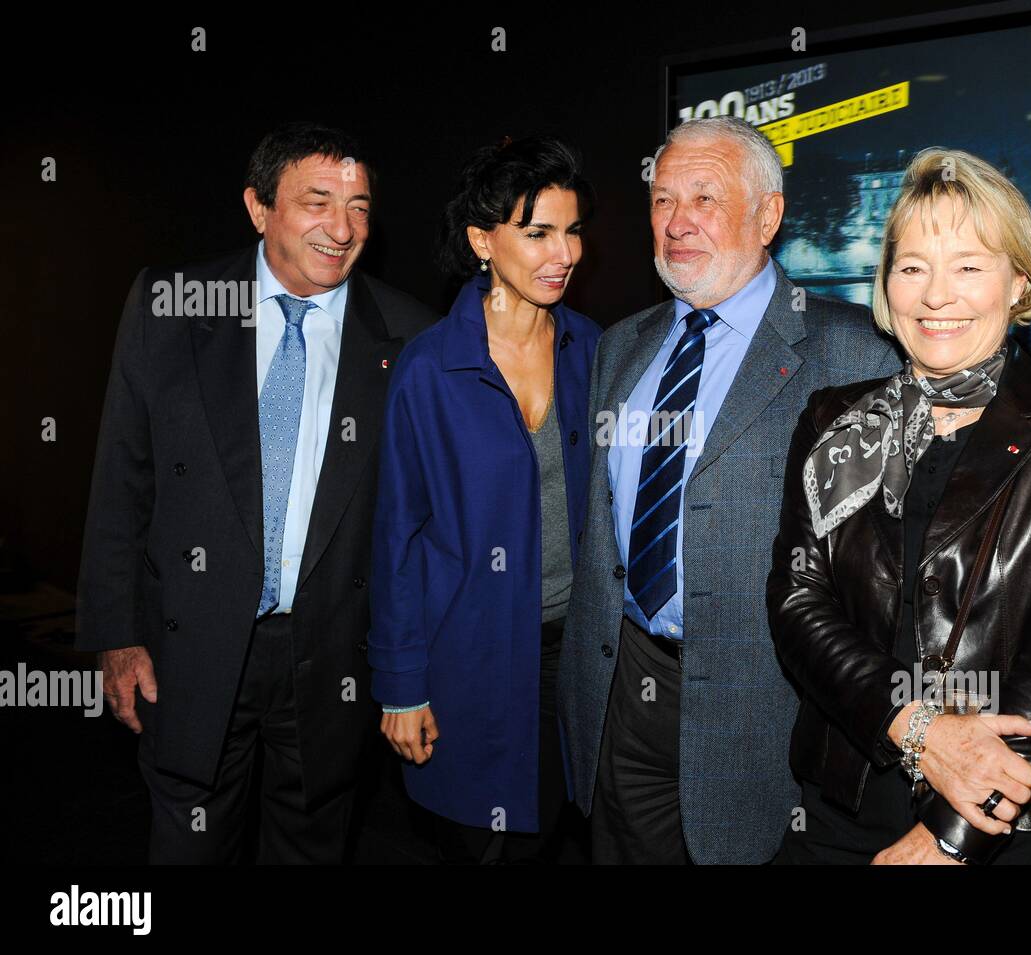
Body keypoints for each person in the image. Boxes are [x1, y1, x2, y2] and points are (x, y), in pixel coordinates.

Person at [767, 147, 1031, 865]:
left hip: (1013, 821)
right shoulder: (831, 421)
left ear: (1021, 283)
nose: (936, 295)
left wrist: (951, 830)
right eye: (912, 267)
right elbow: (797, 601)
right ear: (886, 286)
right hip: (845, 796)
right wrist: (916, 726)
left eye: (968, 265)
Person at [75, 122, 435, 863]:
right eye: (318, 200)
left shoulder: (409, 337)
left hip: (333, 656)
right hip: (190, 646)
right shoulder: (169, 306)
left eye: (360, 205)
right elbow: (122, 479)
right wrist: (116, 634)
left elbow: (417, 524)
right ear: (257, 207)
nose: (343, 228)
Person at [557, 116, 900, 864]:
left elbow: (884, 581)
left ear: (768, 215)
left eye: (705, 198)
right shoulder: (621, 346)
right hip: (621, 690)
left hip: (764, 713)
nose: (676, 222)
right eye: (662, 199)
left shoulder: (851, 351)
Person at [369, 136, 601, 863]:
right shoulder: (430, 367)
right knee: (483, 843)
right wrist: (400, 684)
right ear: (481, 239)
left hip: (578, 660)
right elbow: (397, 538)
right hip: (467, 662)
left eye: (571, 231)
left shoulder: (597, 349)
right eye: (537, 233)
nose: (562, 253)